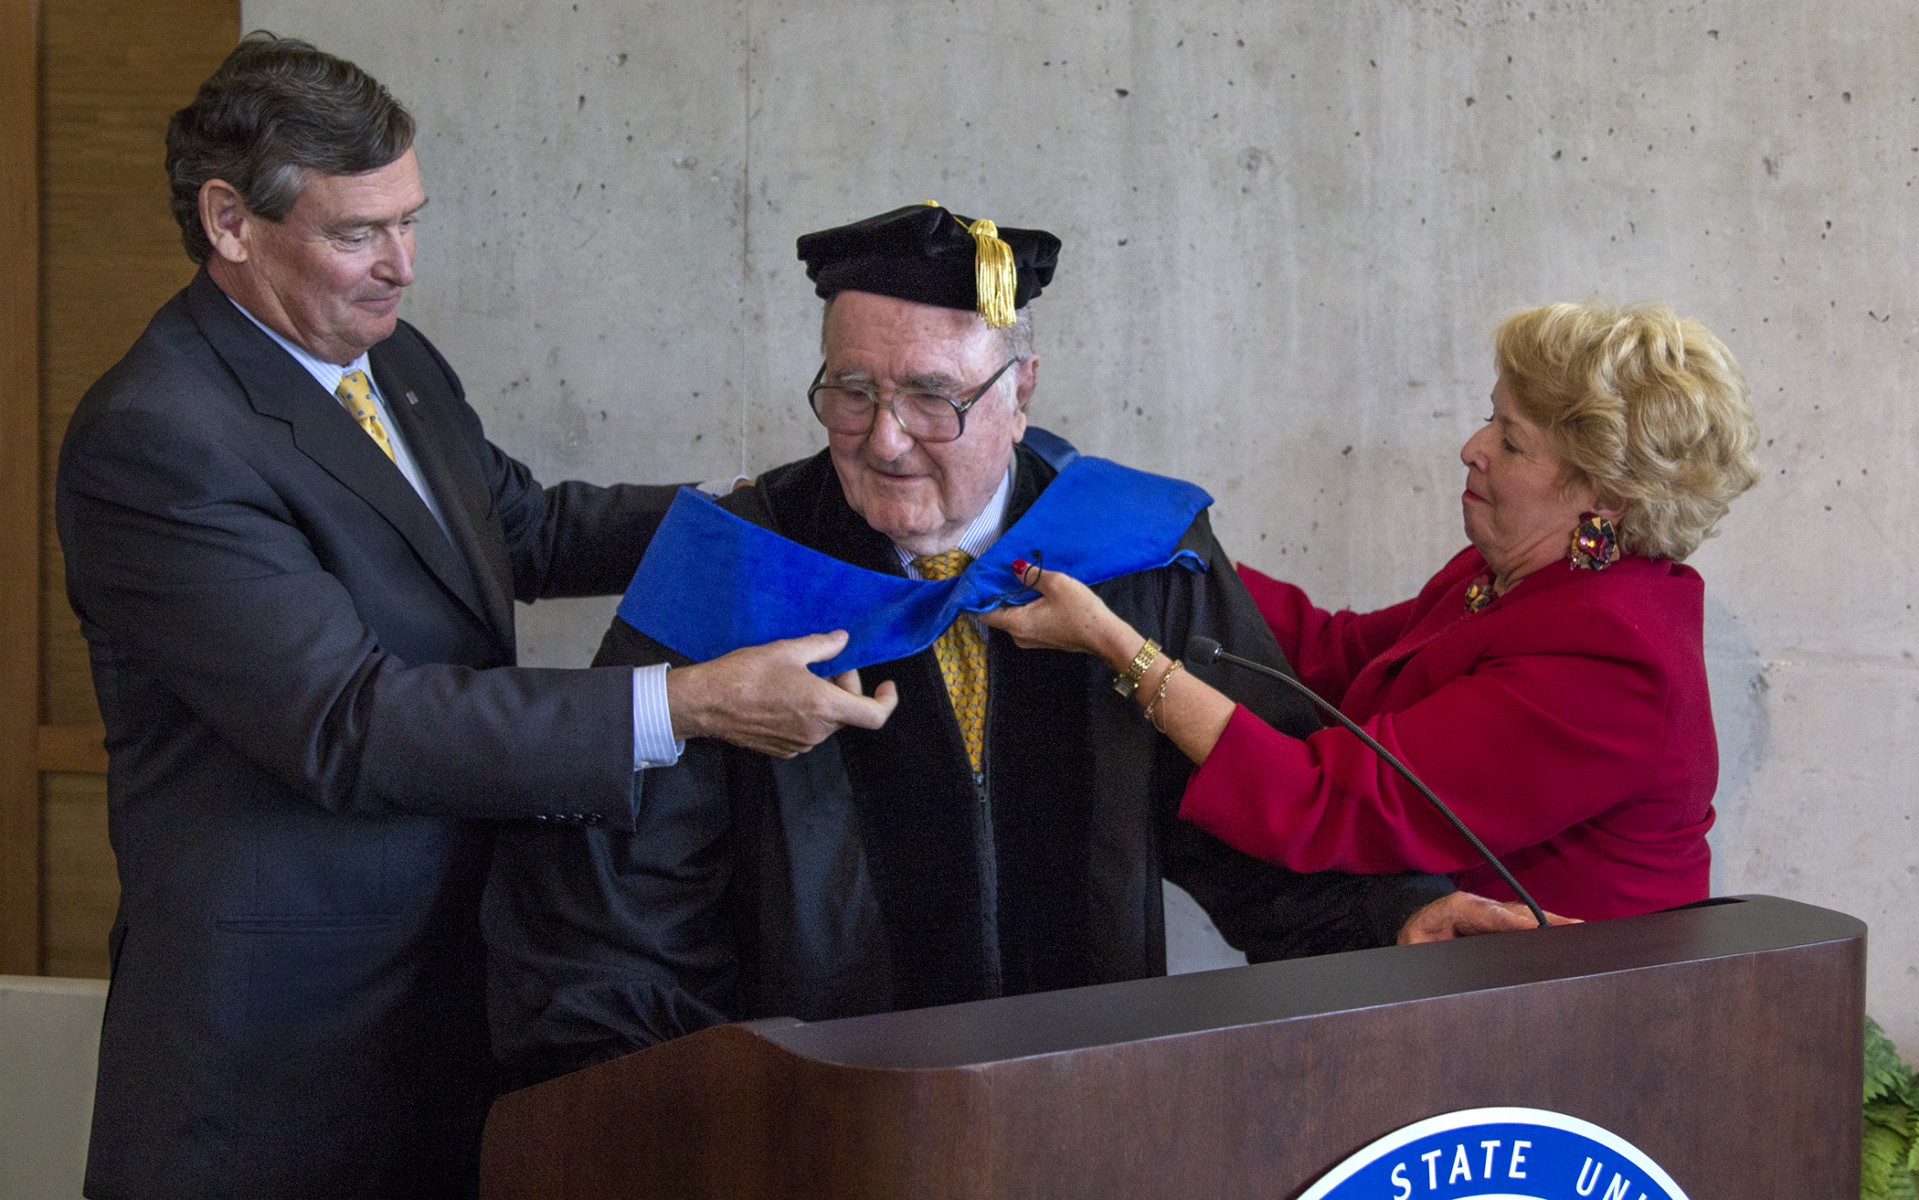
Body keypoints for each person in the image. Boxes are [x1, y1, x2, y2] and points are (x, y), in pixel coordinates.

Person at [55, 34, 894, 1200]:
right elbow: (349, 723)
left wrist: (785, 503)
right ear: (229, 222)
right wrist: (686, 706)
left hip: (453, 1002)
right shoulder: (156, 438)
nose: (401, 266)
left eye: (410, 221)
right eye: (359, 233)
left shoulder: (388, 357)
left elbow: (528, 529)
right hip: (276, 1054)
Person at [483, 203, 1544, 1087]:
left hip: (1080, 1110)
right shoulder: (735, 572)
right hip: (815, 1128)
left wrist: (1392, 915)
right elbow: (618, 914)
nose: (884, 438)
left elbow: (1244, 818)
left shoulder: (1130, 552)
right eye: (851, 392)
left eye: (931, 398)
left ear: (1020, 390)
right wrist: (688, 1115)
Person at [988, 300, 1760, 922]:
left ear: (1605, 497)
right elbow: (1333, 656)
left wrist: (1123, 651)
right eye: (1488, 417)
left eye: (1511, 441)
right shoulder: (1511, 574)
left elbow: (1334, 801)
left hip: (1557, 1020)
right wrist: (1162, 551)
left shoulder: (1610, 659)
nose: (1471, 446)